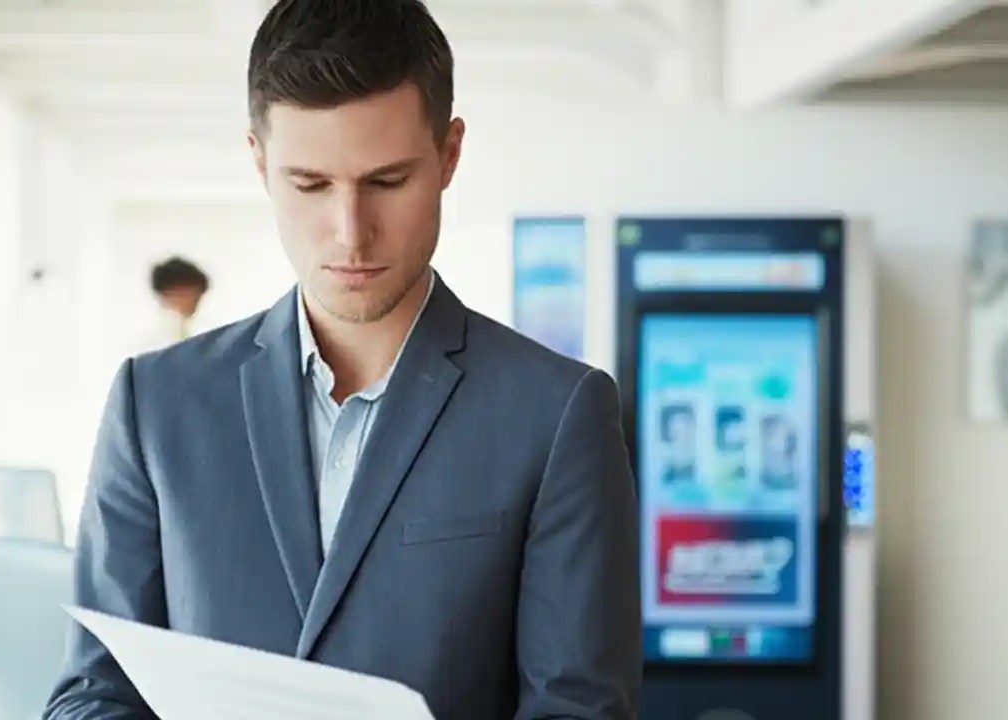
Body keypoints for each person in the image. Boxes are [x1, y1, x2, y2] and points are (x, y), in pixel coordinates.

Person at [44, 1, 641, 718]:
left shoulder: (555, 413)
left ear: (449, 155)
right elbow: (94, 691)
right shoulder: (157, 403)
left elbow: (577, 710)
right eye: (311, 185)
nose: (351, 233)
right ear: (260, 162)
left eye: (387, 182)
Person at [133, 256, 210, 352]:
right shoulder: (150, 339)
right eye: (184, 294)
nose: (194, 303)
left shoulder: (200, 331)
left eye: (197, 297)